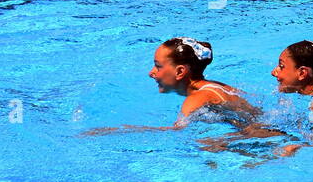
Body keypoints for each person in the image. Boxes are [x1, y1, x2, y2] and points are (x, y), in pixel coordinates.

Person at [83, 37, 259, 135]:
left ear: (180, 72)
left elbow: (176, 133)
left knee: (207, 146)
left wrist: (115, 131)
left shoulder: (195, 99)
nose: (151, 73)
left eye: (158, 66)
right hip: (265, 130)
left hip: (263, 139)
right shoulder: (217, 87)